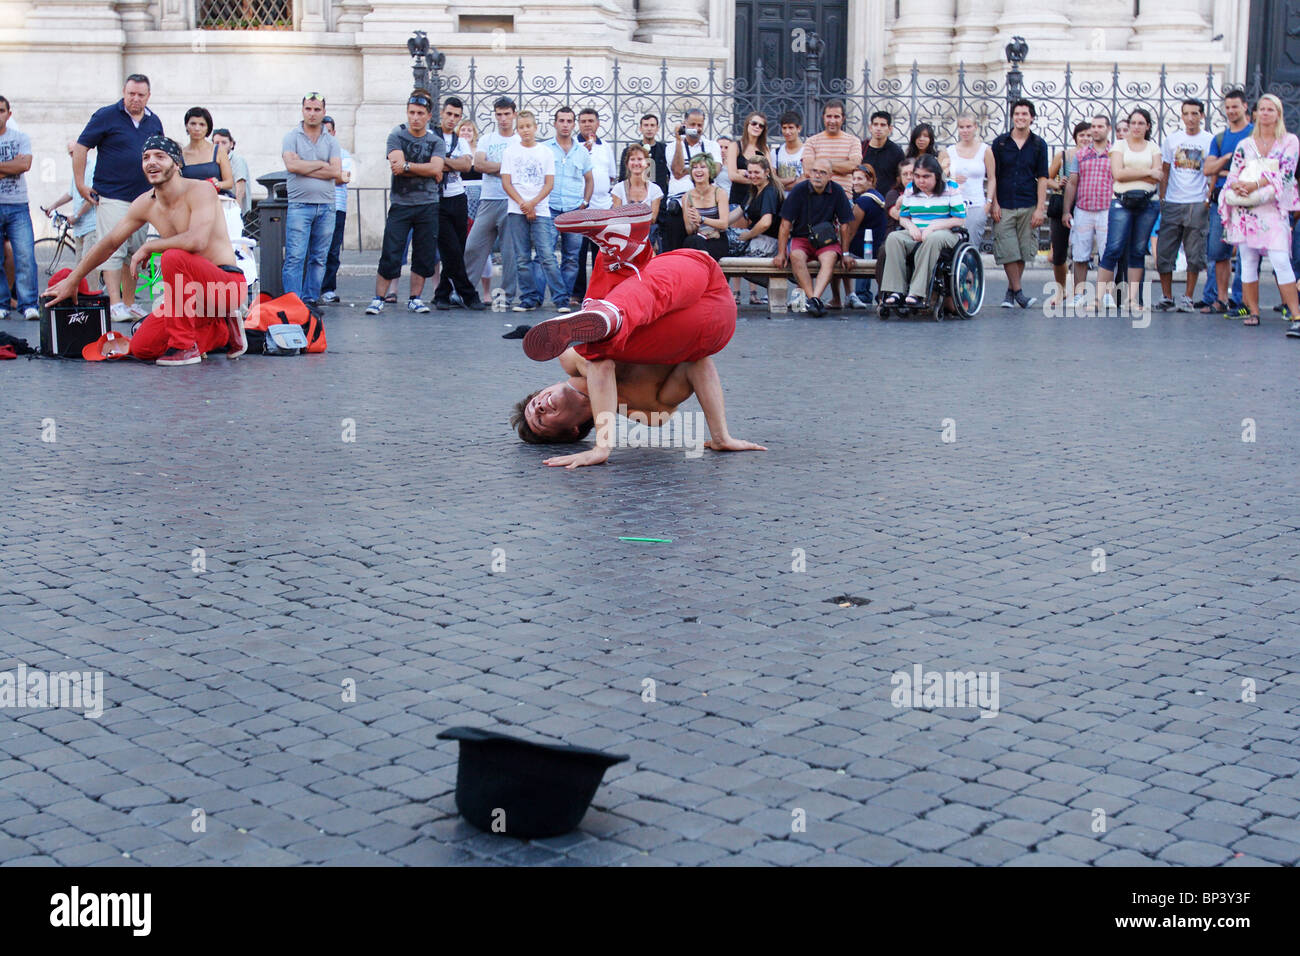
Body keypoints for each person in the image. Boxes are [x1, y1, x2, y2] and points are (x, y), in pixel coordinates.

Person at [512, 211, 766, 467]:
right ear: (572, 431)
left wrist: (603, 446)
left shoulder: (570, 358)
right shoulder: (649, 412)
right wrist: (721, 436)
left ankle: (621, 251)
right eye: (540, 420)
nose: (540, 408)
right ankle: (623, 258)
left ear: (546, 388)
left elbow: (599, 366)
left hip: (691, 276)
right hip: (710, 326)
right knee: (599, 344)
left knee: (603, 334)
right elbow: (697, 364)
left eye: (535, 402)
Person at [43, 136, 246, 366]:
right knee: (142, 347)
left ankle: (185, 347)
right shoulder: (145, 203)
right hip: (187, 298)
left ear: (177, 163)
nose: (152, 162)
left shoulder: (201, 190)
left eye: (160, 156)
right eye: (146, 157)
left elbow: (196, 241)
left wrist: (149, 246)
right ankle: (222, 331)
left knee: (173, 257)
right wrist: (73, 279)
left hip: (224, 287)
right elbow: (109, 243)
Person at [74, 74, 165, 321]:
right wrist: (81, 184)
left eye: (140, 95)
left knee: (134, 251)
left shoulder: (154, 121)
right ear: (124, 92)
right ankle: (114, 303)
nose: (135, 99)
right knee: (113, 247)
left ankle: (129, 302)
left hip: (144, 198)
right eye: (131, 94)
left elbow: (161, 155)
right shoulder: (106, 115)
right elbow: (81, 147)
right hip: (113, 194)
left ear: (148, 96)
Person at [1218, 93, 1300, 331]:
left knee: (1281, 260)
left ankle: (1296, 314)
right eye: (1262, 109)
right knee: (1248, 260)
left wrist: (1255, 186)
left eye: (1270, 109)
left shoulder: (1290, 141)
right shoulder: (1245, 144)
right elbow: (1233, 173)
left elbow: (1286, 174)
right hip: (1247, 211)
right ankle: (1253, 311)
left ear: (1278, 114)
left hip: (1273, 210)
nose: (1265, 113)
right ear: (1254, 113)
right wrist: (1237, 186)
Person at [365, 90, 445, 316]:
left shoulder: (435, 141)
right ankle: (378, 298)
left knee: (424, 254)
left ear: (429, 116)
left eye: (420, 113)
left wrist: (409, 167)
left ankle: (415, 298)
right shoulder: (396, 136)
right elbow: (396, 166)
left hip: (428, 204)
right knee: (391, 252)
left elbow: (436, 168)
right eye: (411, 112)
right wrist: (425, 170)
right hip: (401, 204)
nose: (415, 117)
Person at [1097, 107, 1164, 312]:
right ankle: (1099, 298)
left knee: (1137, 251)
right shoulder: (1119, 145)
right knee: (1113, 249)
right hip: (1121, 202)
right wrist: (1146, 172)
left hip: (1148, 203)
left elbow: (1158, 176)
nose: (1136, 127)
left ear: (1148, 126)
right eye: (1133, 123)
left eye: (1141, 123)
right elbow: (1117, 174)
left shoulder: (1153, 147)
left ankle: (1132, 300)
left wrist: (1132, 172)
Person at [879, 154, 967, 308]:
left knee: (933, 239)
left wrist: (933, 227)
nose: (921, 181)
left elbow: (959, 219)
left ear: (937, 176)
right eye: (917, 176)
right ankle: (896, 291)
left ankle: (917, 292)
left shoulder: (951, 188)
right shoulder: (910, 189)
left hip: (946, 232)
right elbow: (904, 217)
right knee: (894, 238)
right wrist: (911, 227)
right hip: (917, 230)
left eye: (926, 177)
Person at [774, 157, 856, 317]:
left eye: (822, 172)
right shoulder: (799, 190)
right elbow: (785, 223)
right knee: (796, 256)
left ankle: (813, 299)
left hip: (826, 241)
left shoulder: (838, 191)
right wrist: (781, 252)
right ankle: (814, 300)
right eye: (815, 171)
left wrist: (845, 254)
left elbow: (845, 225)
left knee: (831, 257)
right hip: (801, 237)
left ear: (830, 176)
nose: (817, 175)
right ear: (809, 173)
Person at [280, 92, 340, 307]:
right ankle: (293, 303)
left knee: (318, 258)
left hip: (326, 206)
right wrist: (322, 164)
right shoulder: (291, 137)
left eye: (316, 109)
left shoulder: (331, 140)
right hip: (299, 205)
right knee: (295, 257)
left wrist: (306, 165)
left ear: (324, 112)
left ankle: (311, 300)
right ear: (302, 110)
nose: (312, 113)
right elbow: (292, 166)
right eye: (308, 109)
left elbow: (336, 172)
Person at [502, 110, 565, 313]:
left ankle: (560, 298)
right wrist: (523, 203)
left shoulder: (545, 152)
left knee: (547, 255)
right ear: (517, 129)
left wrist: (533, 204)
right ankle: (528, 297)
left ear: (535, 127)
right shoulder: (510, 152)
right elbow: (506, 182)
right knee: (522, 257)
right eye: (521, 127)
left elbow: (549, 183)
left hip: (541, 210)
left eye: (529, 126)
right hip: (516, 209)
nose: (525, 130)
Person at [1154, 99, 1213, 312]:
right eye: (1186, 113)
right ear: (1182, 115)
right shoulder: (1172, 140)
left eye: (1195, 113)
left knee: (1194, 253)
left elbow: (1213, 170)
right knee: (1164, 252)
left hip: (1197, 201)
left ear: (1202, 116)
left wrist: (1208, 198)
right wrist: (1163, 198)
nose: (1190, 118)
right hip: (1173, 201)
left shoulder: (1209, 140)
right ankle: (1167, 295)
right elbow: (1166, 170)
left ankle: (1188, 297)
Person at [991, 98, 1049, 308]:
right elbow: (993, 175)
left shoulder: (1039, 144)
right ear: (1012, 117)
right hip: (1004, 203)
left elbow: (1043, 177)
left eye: (1025, 114)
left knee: (1023, 250)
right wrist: (994, 203)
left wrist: (1040, 208)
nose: (1020, 117)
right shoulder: (1000, 143)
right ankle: (1019, 293)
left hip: (1028, 202)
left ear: (1032, 118)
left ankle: (1010, 292)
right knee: (1008, 249)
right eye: (1017, 114)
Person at [463, 97, 521, 310]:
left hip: (511, 201)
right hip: (487, 199)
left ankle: (506, 296)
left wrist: (494, 167)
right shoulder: (487, 138)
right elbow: (478, 164)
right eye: (499, 114)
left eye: (507, 114)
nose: (503, 118)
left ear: (514, 114)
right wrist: (506, 169)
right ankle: (465, 291)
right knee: (472, 247)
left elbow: (520, 171)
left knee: (509, 253)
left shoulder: (519, 141)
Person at [429, 97, 484, 311]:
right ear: (442, 113)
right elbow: (431, 165)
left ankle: (442, 293)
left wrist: (444, 162)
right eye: (449, 114)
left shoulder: (460, 140)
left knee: (457, 250)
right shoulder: (431, 136)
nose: (452, 119)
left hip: (458, 197)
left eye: (456, 116)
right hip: (437, 200)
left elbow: (465, 165)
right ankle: (469, 294)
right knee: (449, 249)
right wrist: (450, 163)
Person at [1201, 89, 1251, 315]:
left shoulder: (1254, 135)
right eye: (1228, 107)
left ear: (1245, 107)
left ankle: (1242, 300)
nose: (1231, 111)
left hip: (1250, 200)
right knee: (1219, 251)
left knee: (1245, 253)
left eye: (1235, 107)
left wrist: (1222, 169)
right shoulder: (1219, 138)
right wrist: (1226, 160)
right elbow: (1207, 169)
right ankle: (1222, 299)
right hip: (1221, 201)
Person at [545, 106, 594, 312]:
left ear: (574, 124)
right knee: (545, 254)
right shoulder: (545, 148)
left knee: (572, 257)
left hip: (574, 210)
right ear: (555, 123)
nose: (565, 125)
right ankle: (538, 297)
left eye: (569, 121)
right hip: (549, 208)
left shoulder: (582, 152)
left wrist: (584, 203)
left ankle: (563, 298)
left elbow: (589, 180)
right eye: (561, 120)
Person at [1063, 115, 1114, 310]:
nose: (1096, 130)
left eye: (1100, 126)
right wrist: (1066, 211)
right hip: (1083, 209)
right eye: (1093, 126)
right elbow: (1073, 182)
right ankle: (1079, 293)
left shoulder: (1115, 153)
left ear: (1108, 129)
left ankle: (1107, 293)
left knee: (1107, 253)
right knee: (1079, 254)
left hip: (1107, 209)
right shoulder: (1081, 154)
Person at [664, 108, 722, 252]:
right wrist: (679, 141)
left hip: (705, 205)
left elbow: (715, 171)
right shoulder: (672, 147)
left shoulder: (712, 145)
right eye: (692, 125)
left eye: (700, 125)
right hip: (678, 204)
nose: (696, 129)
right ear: (685, 124)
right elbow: (677, 172)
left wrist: (688, 169)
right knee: (675, 249)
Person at [0, 95, 37, 320]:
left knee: (25, 255)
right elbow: (18, 165)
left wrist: (16, 166)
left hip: (18, 205)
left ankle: (28, 304)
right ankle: (2, 304)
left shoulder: (21, 137)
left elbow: (25, 164)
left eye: (1, 110)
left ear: (9, 114)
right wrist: (10, 167)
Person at [729, 153, 784, 305]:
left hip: (768, 241)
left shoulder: (770, 191)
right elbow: (738, 212)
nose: (752, 176)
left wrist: (747, 235)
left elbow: (766, 222)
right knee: (721, 239)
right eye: (750, 172)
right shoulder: (754, 190)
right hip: (756, 238)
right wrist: (718, 225)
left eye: (757, 172)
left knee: (725, 249)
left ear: (767, 173)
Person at [1046, 122, 1090, 307]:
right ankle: (1061, 289)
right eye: (1082, 135)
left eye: (1089, 135)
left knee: (1082, 252)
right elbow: (1045, 177)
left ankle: (1079, 290)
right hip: (1062, 204)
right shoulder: (1063, 156)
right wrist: (1057, 184)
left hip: (1085, 205)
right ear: (1075, 137)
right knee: (1058, 253)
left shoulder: (1096, 156)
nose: (1085, 139)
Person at [44, 141, 98, 264]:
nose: (73, 156)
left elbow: (93, 197)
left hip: (91, 225)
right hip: (79, 228)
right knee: (79, 268)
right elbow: (71, 193)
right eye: (70, 154)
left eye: (74, 152)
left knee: (88, 266)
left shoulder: (92, 167)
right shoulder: (77, 169)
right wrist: (53, 205)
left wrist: (76, 216)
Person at [318, 116, 353, 305]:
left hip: (337, 207)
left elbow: (344, 177)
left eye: (328, 130)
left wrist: (317, 173)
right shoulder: (311, 152)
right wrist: (331, 173)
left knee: (332, 250)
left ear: (334, 132)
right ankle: (313, 288)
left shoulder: (343, 154)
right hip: (316, 203)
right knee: (315, 249)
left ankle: (328, 288)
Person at [948, 112, 994, 253]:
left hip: (976, 204)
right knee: (953, 246)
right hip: (954, 205)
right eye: (961, 127)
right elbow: (940, 177)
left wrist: (989, 203)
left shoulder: (985, 150)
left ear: (975, 127)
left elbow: (992, 177)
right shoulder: (950, 151)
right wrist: (951, 179)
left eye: (968, 126)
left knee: (971, 246)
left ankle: (970, 275)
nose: (965, 130)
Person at [847, 164, 888, 308]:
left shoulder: (864, 201)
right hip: (875, 246)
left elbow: (851, 231)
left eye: (860, 179)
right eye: (853, 178)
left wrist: (843, 251)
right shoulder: (878, 196)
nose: (855, 182)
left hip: (862, 250)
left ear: (870, 180)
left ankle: (854, 295)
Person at [681, 153, 730, 261]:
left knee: (696, 246)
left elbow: (724, 224)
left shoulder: (719, 193)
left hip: (716, 238)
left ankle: (702, 273)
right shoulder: (687, 197)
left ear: (710, 171)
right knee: (693, 240)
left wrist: (702, 219)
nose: (698, 170)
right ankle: (705, 271)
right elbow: (689, 230)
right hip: (698, 238)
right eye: (694, 167)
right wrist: (694, 221)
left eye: (703, 167)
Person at [180, 107, 233, 193]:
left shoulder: (219, 150)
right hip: (189, 202)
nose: (197, 128)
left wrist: (216, 184)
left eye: (202, 124)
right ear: (186, 126)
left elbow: (229, 183)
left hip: (216, 200)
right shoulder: (180, 154)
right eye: (193, 124)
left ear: (208, 127)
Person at [726, 112, 771, 211]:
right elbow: (732, 176)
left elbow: (770, 176)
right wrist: (758, 180)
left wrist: (745, 173)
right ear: (747, 124)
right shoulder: (735, 146)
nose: (757, 127)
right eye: (754, 123)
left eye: (761, 126)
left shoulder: (764, 149)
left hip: (759, 200)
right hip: (738, 199)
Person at [618, 114, 669, 197]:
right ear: (640, 129)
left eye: (652, 125)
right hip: (635, 198)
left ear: (657, 129)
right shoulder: (629, 151)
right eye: (646, 125)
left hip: (660, 198)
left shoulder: (665, 150)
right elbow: (623, 177)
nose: (649, 129)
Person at [610, 143, 663, 219]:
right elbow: (617, 218)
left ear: (647, 164)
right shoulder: (618, 189)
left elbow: (653, 219)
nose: (636, 163)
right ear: (627, 164)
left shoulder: (655, 190)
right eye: (632, 159)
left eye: (640, 159)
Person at [862, 111, 905, 203]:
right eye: (875, 124)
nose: (878, 128)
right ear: (870, 127)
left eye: (883, 125)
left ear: (890, 129)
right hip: (862, 200)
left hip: (885, 202)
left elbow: (900, 179)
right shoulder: (861, 148)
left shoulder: (896, 152)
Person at [212, 128, 251, 221]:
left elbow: (240, 187)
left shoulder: (237, 160)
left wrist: (236, 211)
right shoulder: (213, 161)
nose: (220, 146)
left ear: (231, 144)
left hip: (232, 209)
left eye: (224, 142)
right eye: (217, 143)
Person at [771, 110, 805, 192]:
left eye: (791, 128)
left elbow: (805, 181)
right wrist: (792, 179)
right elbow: (772, 181)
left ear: (799, 128)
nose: (787, 132)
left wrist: (781, 183)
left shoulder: (806, 152)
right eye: (784, 128)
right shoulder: (776, 153)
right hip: (780, 201)